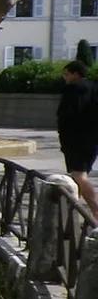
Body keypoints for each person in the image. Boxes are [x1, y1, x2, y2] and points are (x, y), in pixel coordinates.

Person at [57, 60, 98, 218]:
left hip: (76, 140)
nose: (64, 77)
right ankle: (73, 215)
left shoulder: (72, 90)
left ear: (75, 74)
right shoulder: (94, 87)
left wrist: (64, 140)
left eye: (66, 74)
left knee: (78, 176)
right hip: (92, 139)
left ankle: (95, 212)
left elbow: (66, 117)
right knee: (81, 176)